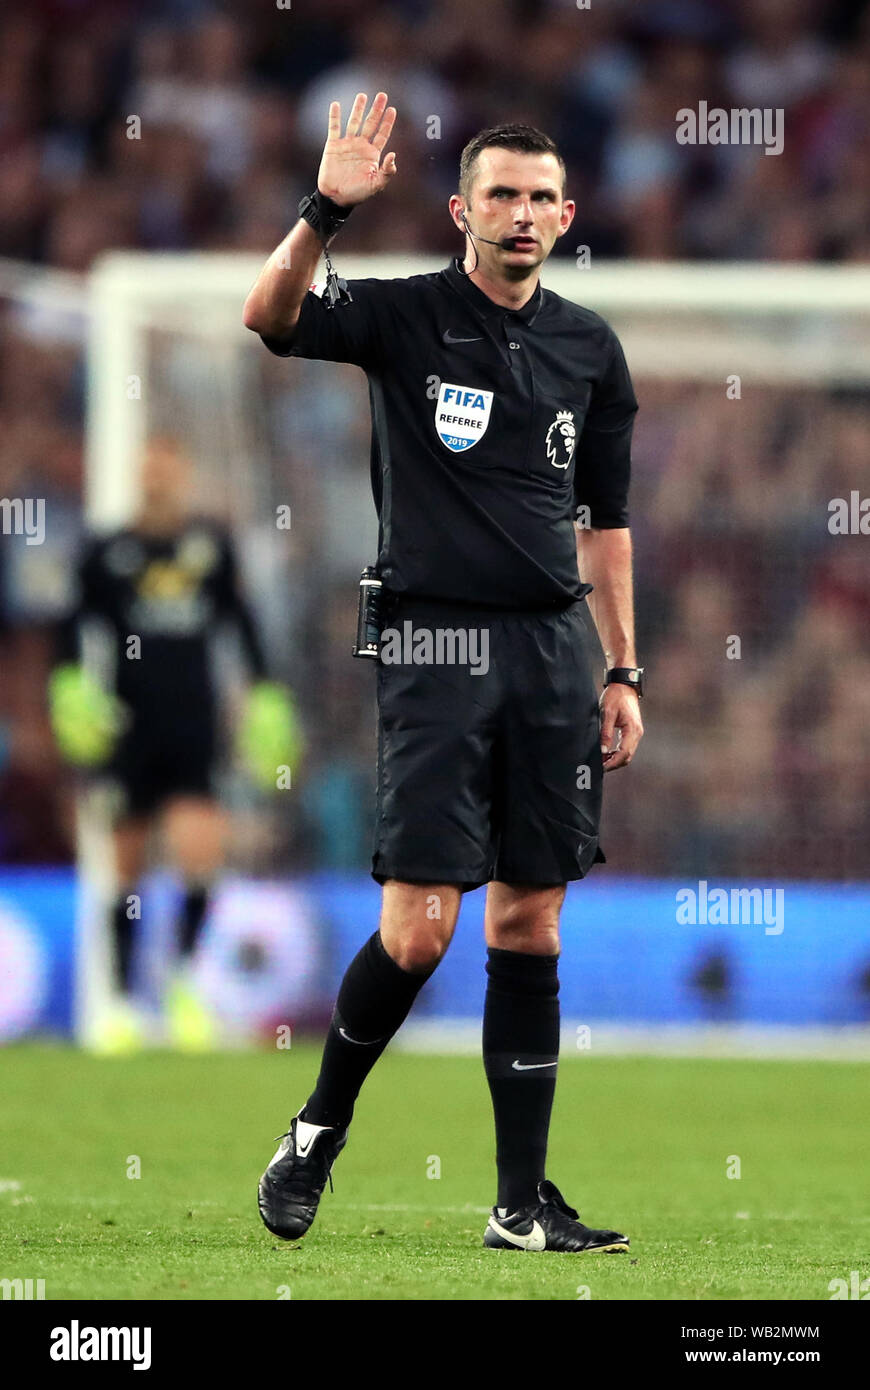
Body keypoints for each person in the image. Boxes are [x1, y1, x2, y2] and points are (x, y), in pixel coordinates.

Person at [244, 93, 643, 1253]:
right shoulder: (405, 318)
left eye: (539, 197)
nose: (520, 215)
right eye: (499, 195)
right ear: (461, 210)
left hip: (556, 651)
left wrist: (624, 668)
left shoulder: (589, 348)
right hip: (434, 643)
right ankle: (318, 1125)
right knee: (420, 931)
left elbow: (606, 525)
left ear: (566, 215)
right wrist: (324, 209)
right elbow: (268, 318)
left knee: (531, 925)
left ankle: (520, 1204)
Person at [50, 436, 300, 1052]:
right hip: (127, 731)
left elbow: (242, 627)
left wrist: (264, 694)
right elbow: (71, 629)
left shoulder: (210, 548)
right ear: (138, 475)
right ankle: (122, 1001)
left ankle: (186, 982)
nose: (158, 479)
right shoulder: (106, 553)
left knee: (198, 854)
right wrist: (69, 687)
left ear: (181, 474)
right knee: (125, 868)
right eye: (148, 470)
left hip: (195, 728)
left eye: (167, 468)